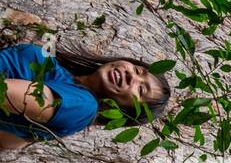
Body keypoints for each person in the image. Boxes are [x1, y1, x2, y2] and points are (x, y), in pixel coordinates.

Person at [0, 42, 171, 150]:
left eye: (140, 90)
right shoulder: (68, 79)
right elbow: (10, 142)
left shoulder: (83, 105)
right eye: (138, 70)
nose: (131, 76)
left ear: (127, 111)